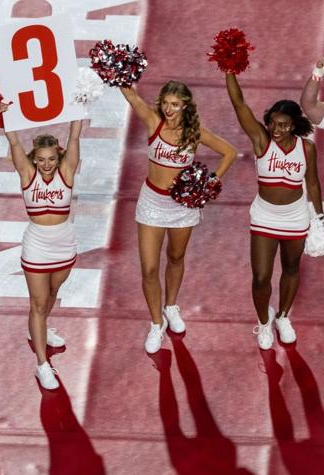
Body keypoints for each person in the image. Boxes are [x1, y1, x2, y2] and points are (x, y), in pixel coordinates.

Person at [120, 81, 237, 353]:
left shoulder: (194, 132)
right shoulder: (153, 122)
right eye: (165, 103)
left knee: (175, 257)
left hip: (182, 207)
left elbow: (229, 152)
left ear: (185, 105)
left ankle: (171, 306)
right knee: (149, 268)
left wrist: (208, 183)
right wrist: (118, 70)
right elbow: (130, 94)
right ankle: (155, 323)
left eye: (175, 104)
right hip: (151, 203)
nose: (169, 109)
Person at [227, 72, 321, 349]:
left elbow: (313, 183)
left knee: (291, 268)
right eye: (272, 124)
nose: (276, 130)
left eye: (283, 125)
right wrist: (228, 69)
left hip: (296, 217)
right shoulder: (261, 141)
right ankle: (264, 323)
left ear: (294, 126)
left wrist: (319, 218)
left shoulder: (307, 148)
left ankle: (282, 316)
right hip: (265, 217)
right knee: (260, 277)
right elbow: (239, 104)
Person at [4, 116, 85, 390]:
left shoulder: (67, 173)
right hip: (37, 245)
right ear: (34, 159)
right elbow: (13, 139)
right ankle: (41, 364)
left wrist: (78, 108)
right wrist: (3, 113)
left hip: (64, 244)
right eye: (41, 159)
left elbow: (75, 138)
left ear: (58, 156)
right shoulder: (27, 175)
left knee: (51, 294)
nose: (47, 164)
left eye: (51, 158)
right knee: (37, 304)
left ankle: (41, 329)